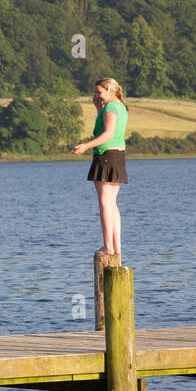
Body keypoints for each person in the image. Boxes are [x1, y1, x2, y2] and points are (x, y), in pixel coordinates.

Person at [71, 77, 128, 257]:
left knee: (105, 203)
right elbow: (107, 128)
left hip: (105, 156)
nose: (96, 96)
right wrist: (98, 108)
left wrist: (86, 146)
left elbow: (108, 134)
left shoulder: (111, 107)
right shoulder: (119, 106)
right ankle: (116, 246)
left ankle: (108, 246)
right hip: (117, 156)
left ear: (110, 91)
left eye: (99, 92)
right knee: (112, 203)